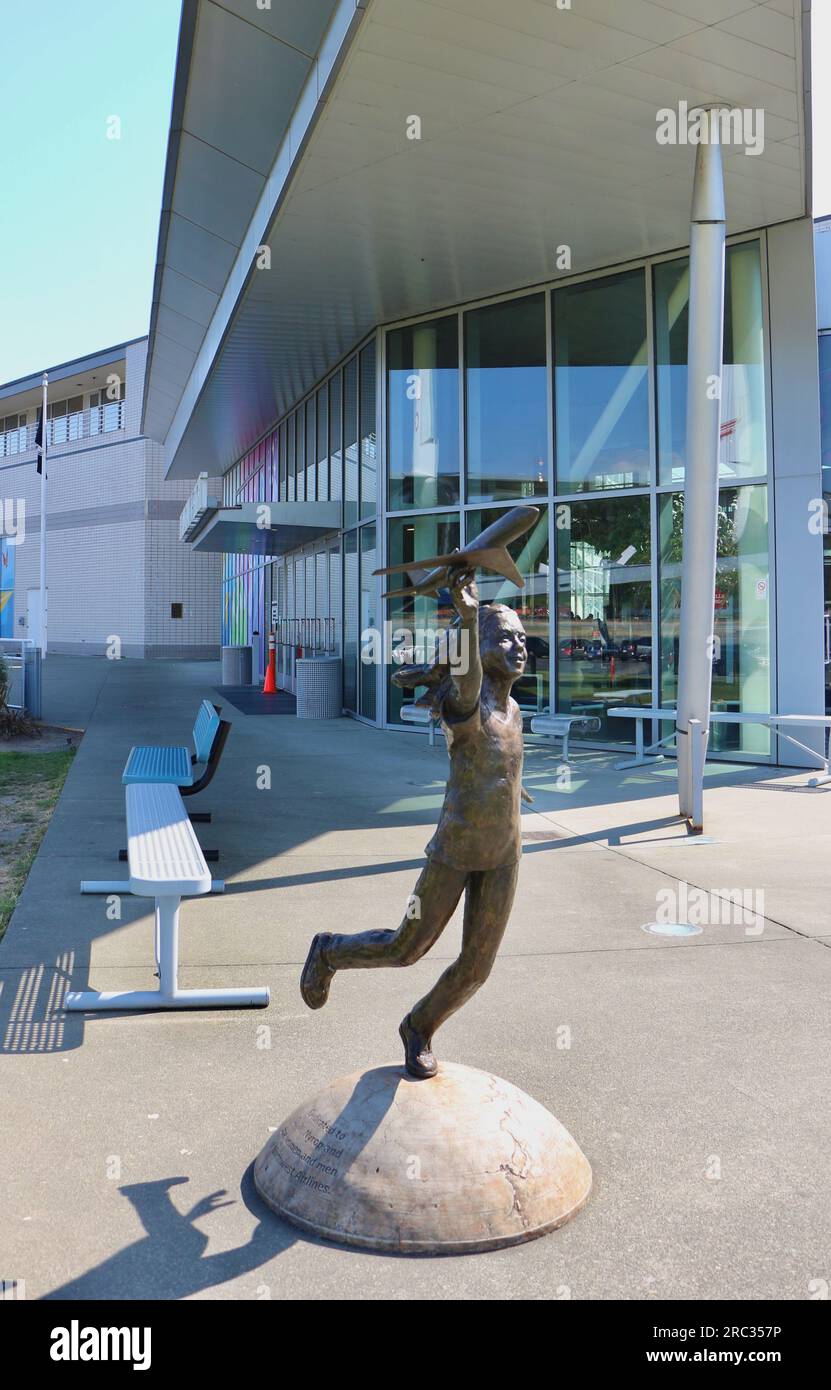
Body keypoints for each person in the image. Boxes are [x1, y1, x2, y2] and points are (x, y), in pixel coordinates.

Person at [300, 569, 528, 1078]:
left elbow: (501, 770)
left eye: (522, 638)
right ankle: (330, 950)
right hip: (456, 849)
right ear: (479, 648)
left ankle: (418, 1027)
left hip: (505, 855)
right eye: (505, 638)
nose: (518, 646)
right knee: (407, 947)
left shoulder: (513, 710)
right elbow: (467, 681)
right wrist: (468, 618)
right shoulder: (465, 705)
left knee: (477, 968)